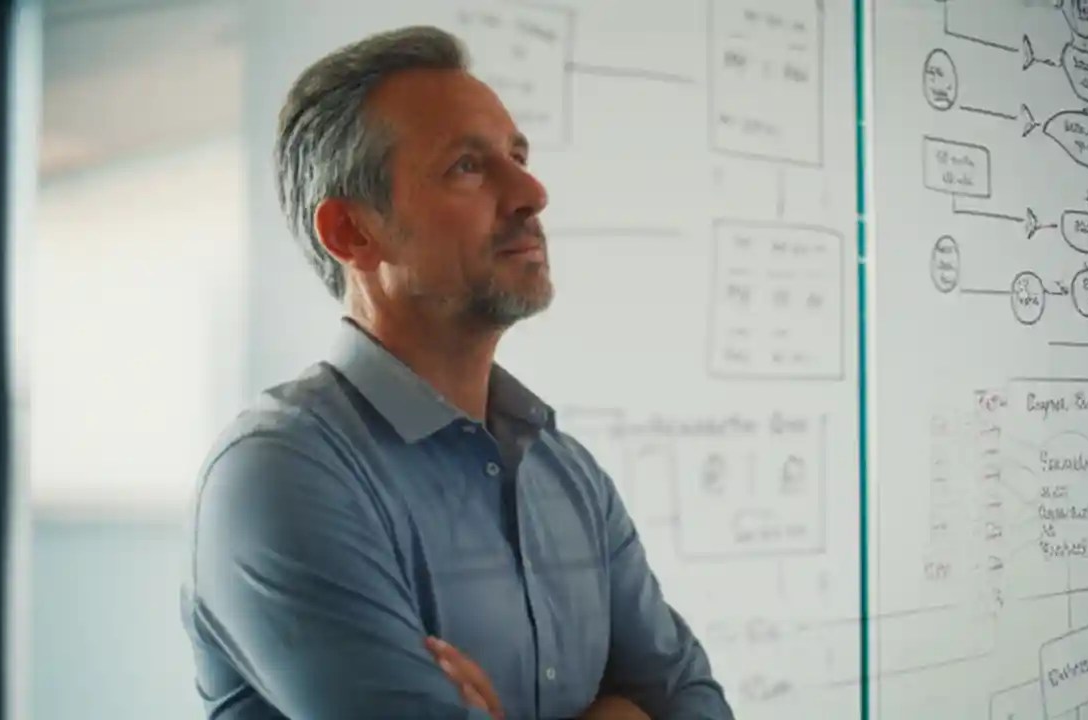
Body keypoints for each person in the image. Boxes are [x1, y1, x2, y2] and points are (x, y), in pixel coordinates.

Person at [180, 25, 734, 720]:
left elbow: (698, 707)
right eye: (468, 167)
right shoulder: (279, 473)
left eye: (518, 156)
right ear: (352, 232)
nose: (532, 191)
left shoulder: (569, 476)